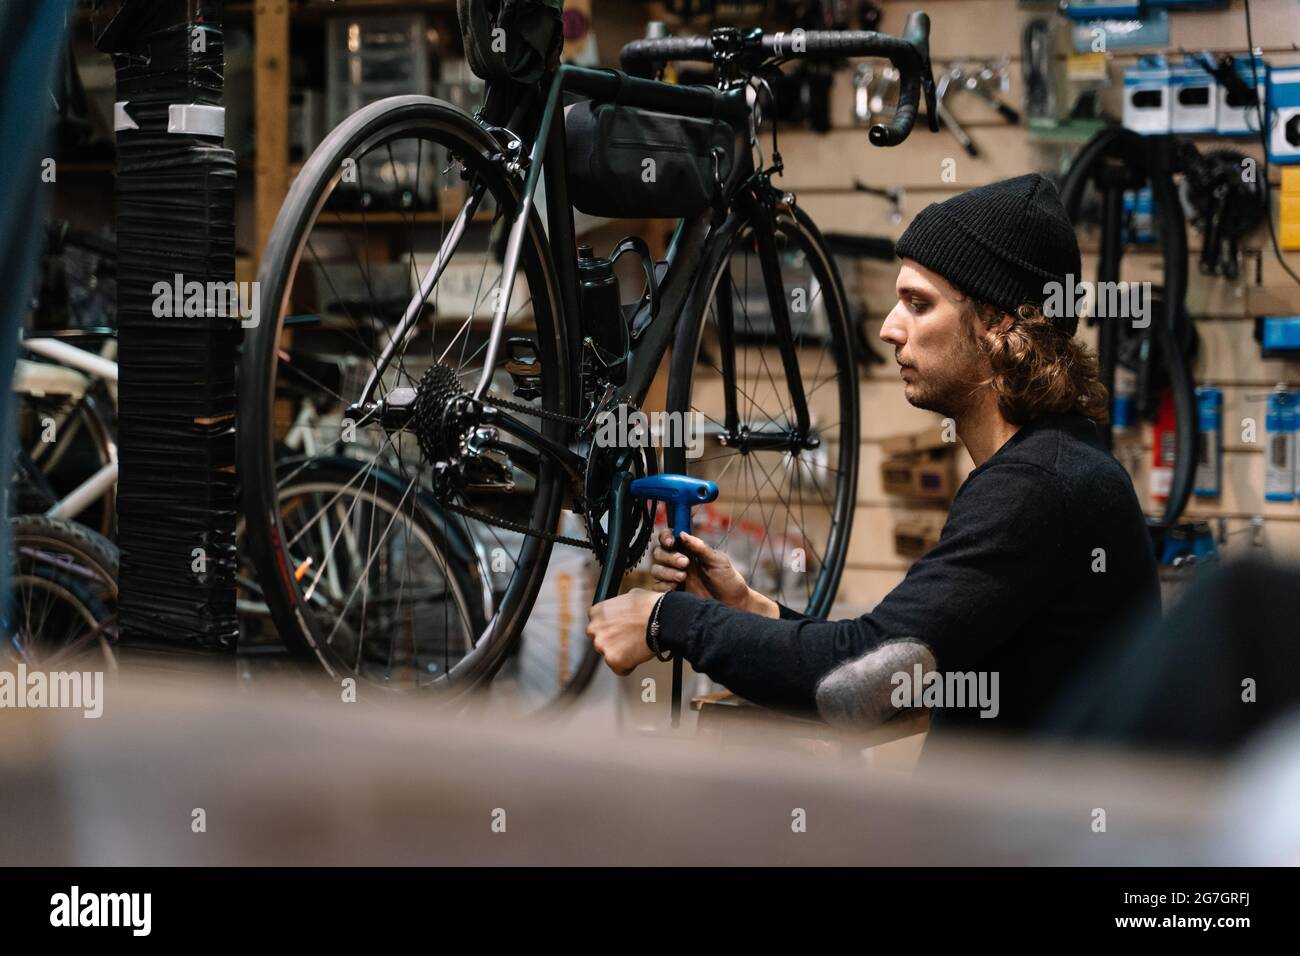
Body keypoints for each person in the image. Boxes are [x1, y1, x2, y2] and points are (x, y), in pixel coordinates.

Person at [585, 173, 1160, 736]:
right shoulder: (1052, 468)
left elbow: (858, 682)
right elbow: (894, 656)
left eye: (918, 303)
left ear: (999, 322)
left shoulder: (1038, 486)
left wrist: (666, 620)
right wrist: (747, 608)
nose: (889, 329)